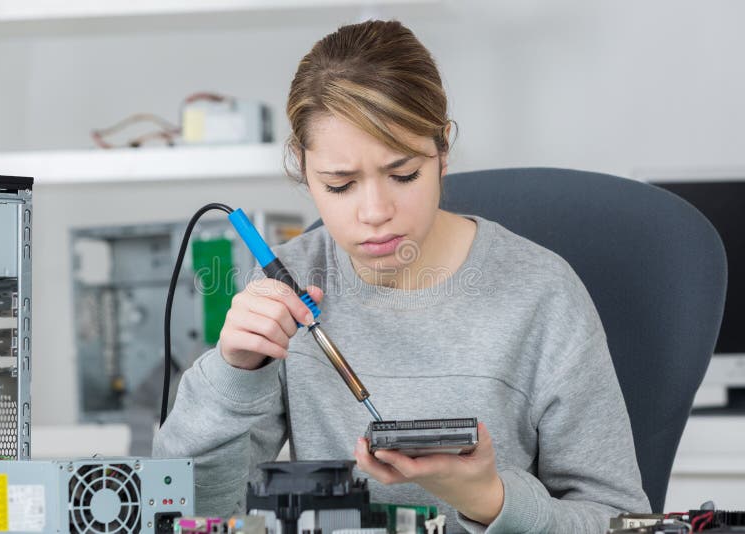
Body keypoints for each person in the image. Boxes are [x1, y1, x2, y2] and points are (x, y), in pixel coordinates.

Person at [153, 19, 651, 533]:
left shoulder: (543, 294)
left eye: (403, 174)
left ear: (443, 151)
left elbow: (618, 519)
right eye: (340, 184)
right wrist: (234, 375)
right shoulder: (286, 284)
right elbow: (187, 511)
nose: (375, 212)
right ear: (303, 167)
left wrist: (489, 500)